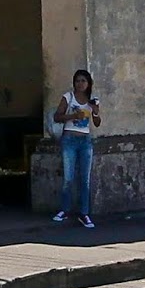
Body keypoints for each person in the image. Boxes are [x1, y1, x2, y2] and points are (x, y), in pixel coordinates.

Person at [51, 69, 101, 229]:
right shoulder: (68, 97)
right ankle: (65, 210)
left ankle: (84, 213)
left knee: (84, 179)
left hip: (85, 141)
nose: (80, 84)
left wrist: (96, 112)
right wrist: (73, 116)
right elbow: (57, 117)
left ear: (88, 84)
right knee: (68, 178)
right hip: (70, 139)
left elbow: (98, 123)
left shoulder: (91, 100)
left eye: (83, 81)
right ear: (74, 83)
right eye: (78, 81)